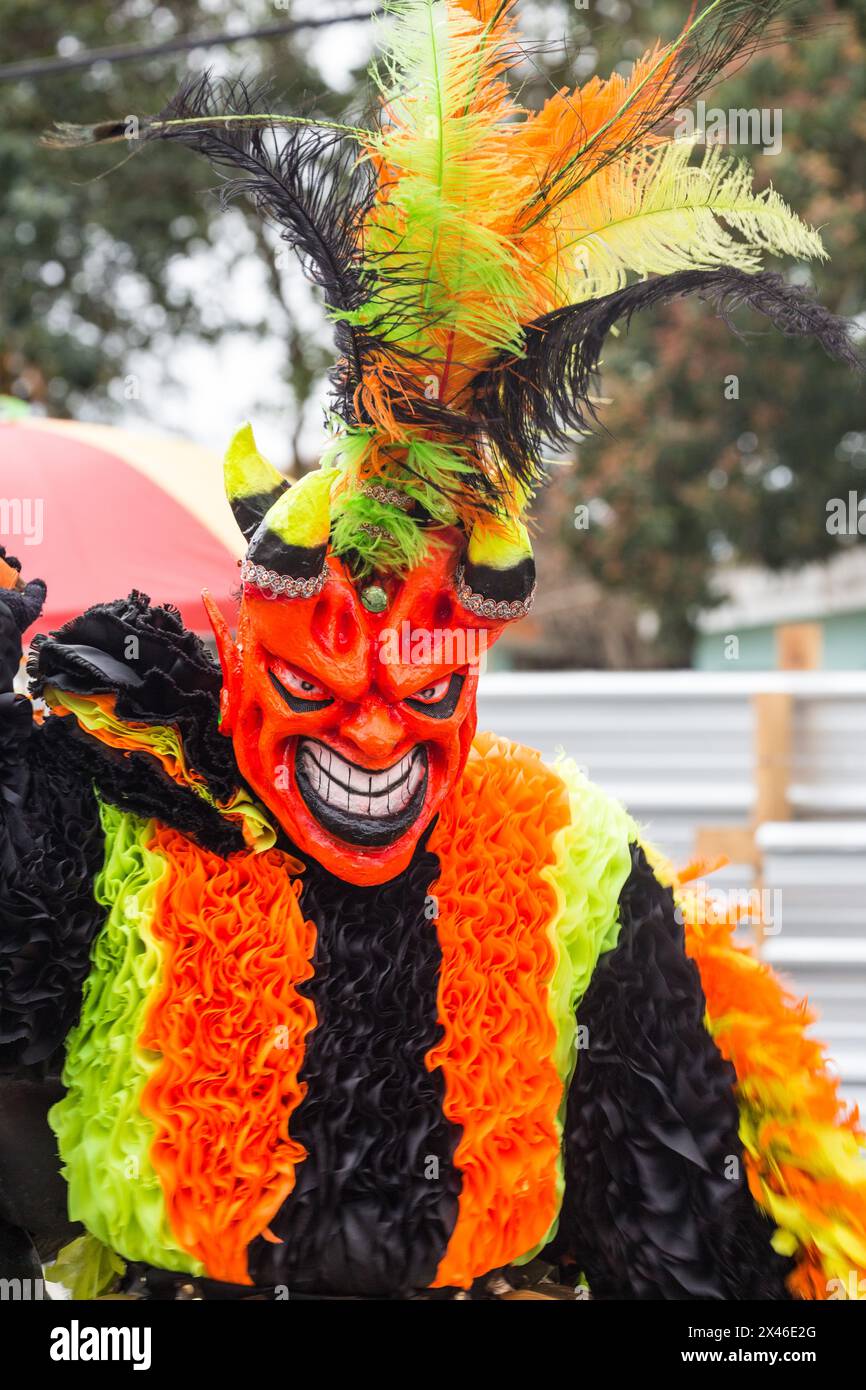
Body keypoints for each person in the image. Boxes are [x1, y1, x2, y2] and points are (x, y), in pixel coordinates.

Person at [2, 0, 864, 1300]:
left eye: (422, 690)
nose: (366, 733)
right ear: (240, 661)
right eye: (309, 682)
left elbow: (688, 1229)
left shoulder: (568, 863)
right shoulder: (124, 812)